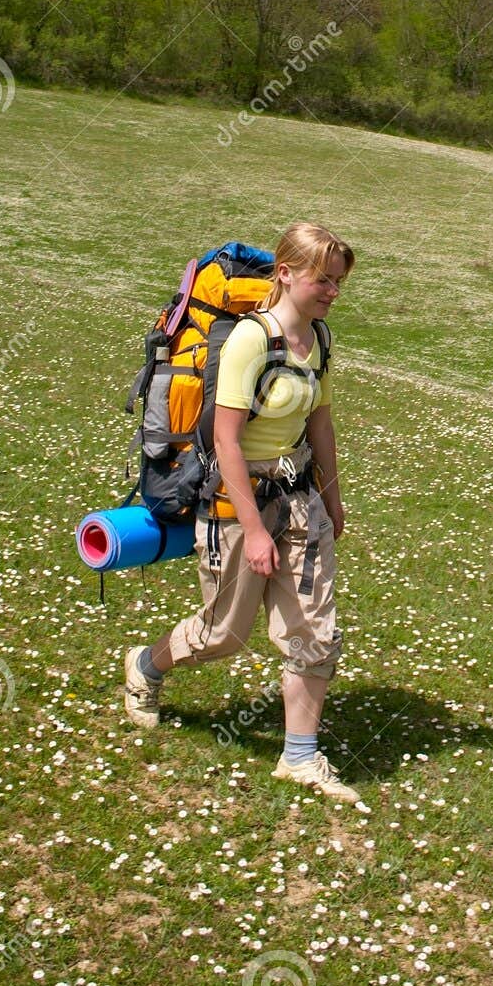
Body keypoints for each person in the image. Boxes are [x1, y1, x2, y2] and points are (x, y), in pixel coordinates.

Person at [123, 220, 363, 806]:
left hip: (300, 499)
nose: (332, 291)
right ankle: (147, 665)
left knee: (314, 629)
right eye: (322, 280)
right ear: (285, 273)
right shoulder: (251, 341)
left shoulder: (320, 339)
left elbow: (321, 422)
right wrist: (253, 530)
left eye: (338, 282)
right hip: (237, 505)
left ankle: (300, 758)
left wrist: (331, 497)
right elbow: (226, 441)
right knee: (224, 635)